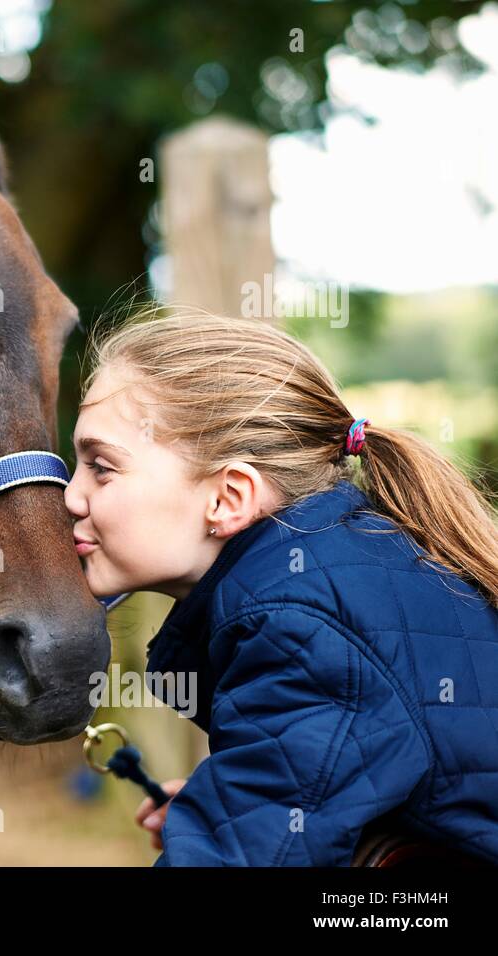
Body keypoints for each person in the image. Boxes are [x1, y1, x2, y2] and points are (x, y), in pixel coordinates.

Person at [65, 311, 498, 866]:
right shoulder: (337, 574)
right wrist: (229, 813)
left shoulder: (304, 629)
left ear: (228, 498)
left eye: (101, 468)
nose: (72, 497)